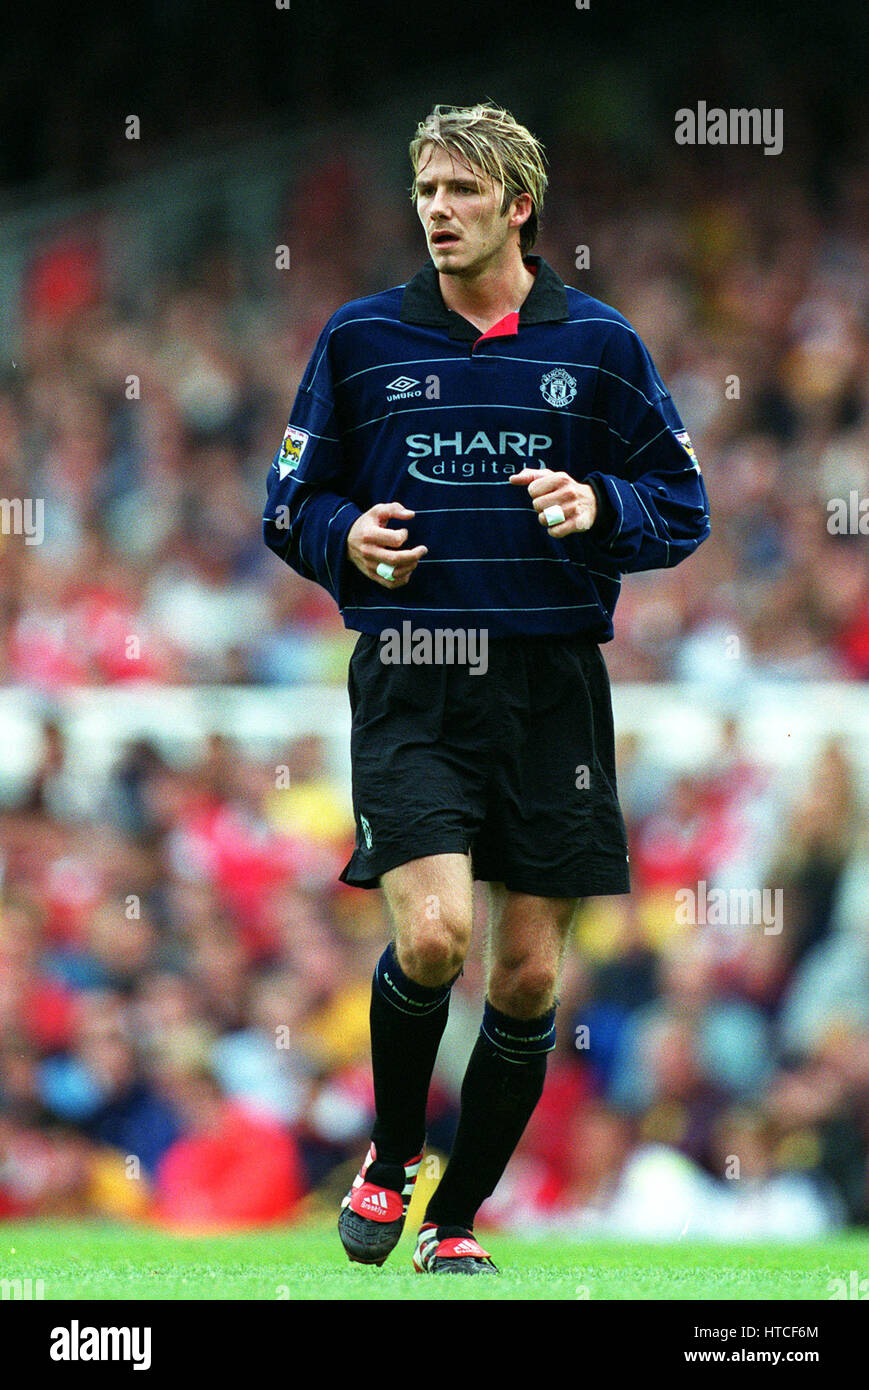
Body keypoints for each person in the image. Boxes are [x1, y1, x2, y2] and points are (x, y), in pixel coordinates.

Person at [263, 102, 710, 1274]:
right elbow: (286, 503)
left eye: (462, 192)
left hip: (551, 684)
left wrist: (600, 506)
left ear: (518, 205)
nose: (438, 212)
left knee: (522, 971)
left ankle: (455, 1221)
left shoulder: (600, 347)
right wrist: (345, 534)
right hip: (413, 676)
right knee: (436, 936)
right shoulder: (361, 340)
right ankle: (392, 1155)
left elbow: (682, 505)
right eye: (425, 192)